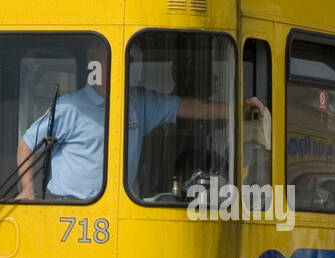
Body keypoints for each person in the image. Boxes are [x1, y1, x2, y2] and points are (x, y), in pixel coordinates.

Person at [15, 74, 264, 201]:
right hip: (67, 206)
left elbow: (193, 107)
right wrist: (28, 189)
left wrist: (238, 110)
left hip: (116, 209)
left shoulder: (139, 102)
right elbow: (28, 143)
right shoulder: (71, 106)